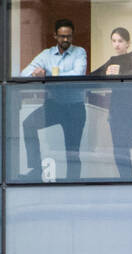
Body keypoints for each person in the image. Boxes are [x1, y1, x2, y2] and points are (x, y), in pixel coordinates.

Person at [20, 18, 88, 180]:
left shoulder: (79, 52)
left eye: (69, 37)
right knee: (28, 124)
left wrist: (49, 75)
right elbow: (24, 73)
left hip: (74, 108)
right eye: (62, 36)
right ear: (55, 36)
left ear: (72, 36)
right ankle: (36, 168)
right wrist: (36, 73)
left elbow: (77, 75)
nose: (66, 40)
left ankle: (73, 183)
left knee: (72, 151)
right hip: (54, 105)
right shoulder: (47, 55)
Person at [90, 27, 132, 180]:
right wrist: (105, 75)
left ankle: (127, 180)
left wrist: (119, 74)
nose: (117, 45)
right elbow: (93, 76)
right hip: (116, 110)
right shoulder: (112, 61)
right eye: (114, 41)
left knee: (122, 147)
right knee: (118, 149)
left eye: (120, 41)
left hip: (129, 110)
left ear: (128, 43)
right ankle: (126, 179)